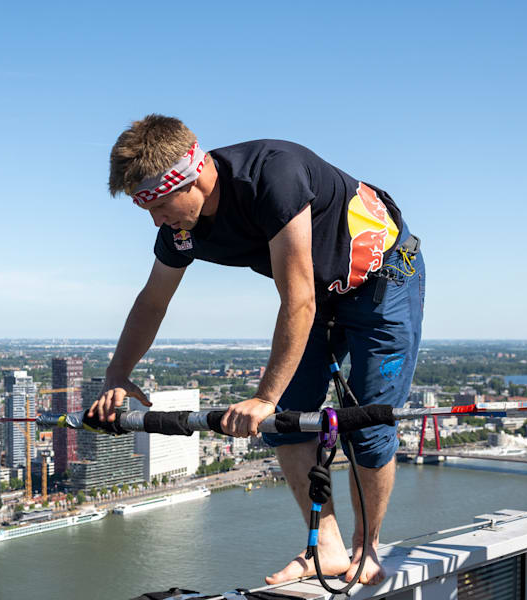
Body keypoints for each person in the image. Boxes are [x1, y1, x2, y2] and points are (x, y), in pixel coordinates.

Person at [87, 115, 425, 586]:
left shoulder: (273, 174)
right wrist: (117, 372)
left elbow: (298, 298)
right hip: (318, 295)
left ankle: (366, 548)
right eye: (147, 209)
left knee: (367, 424)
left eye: (161, 203)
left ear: (196, 171)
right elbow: (153, 300)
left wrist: (263, 395)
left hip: (382, 280)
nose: (156, 219)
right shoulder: (182, 229)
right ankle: (325, 546)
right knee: (285, 425)